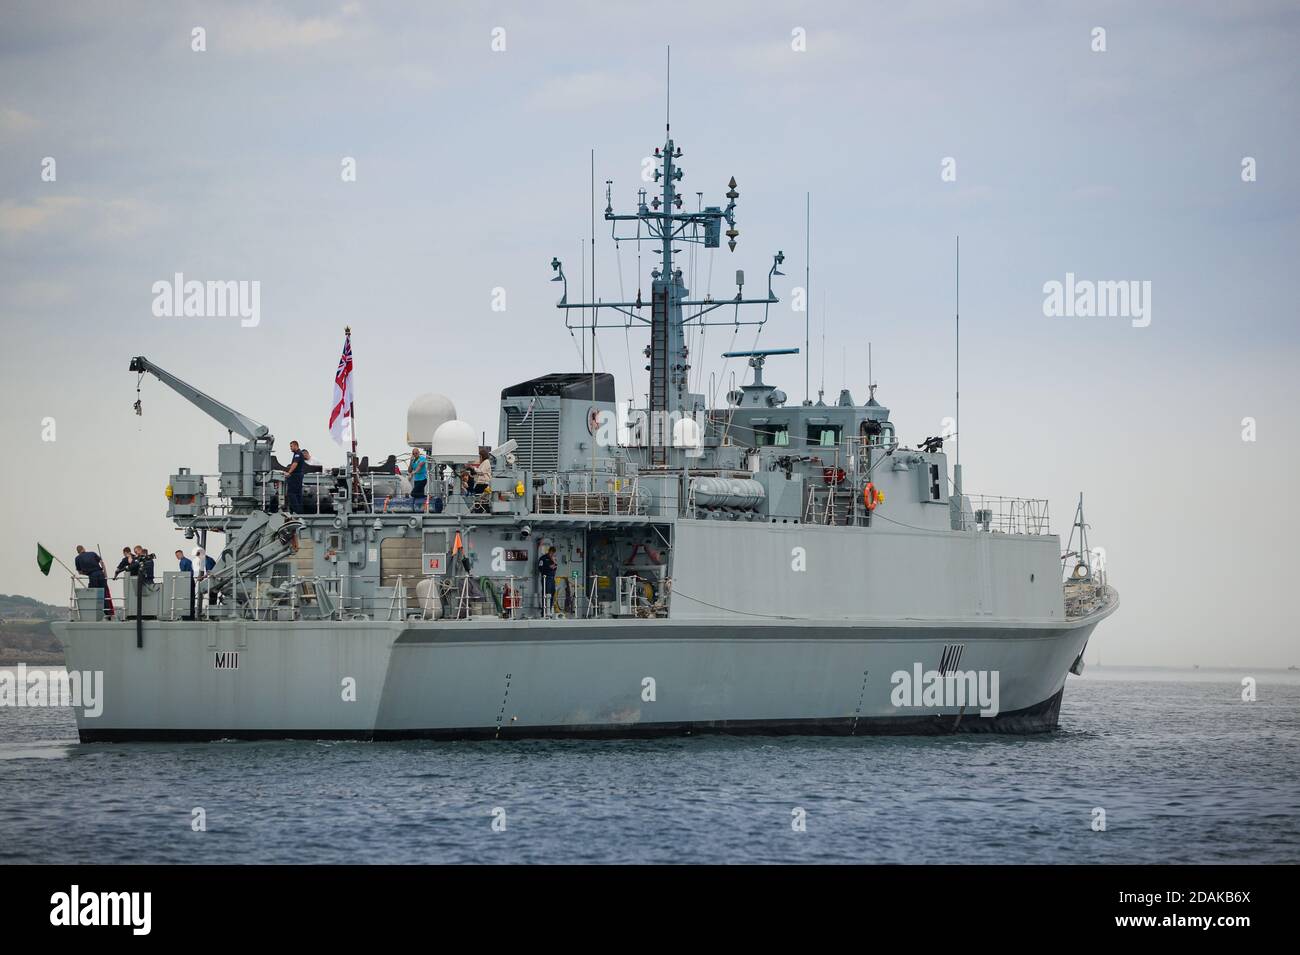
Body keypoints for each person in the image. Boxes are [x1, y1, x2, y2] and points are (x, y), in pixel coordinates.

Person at [74, 545, 112, 616]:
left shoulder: (77, 558)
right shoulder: (92, 553)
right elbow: (102, 563)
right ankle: (108, 613)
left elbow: (80, 572)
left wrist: (88, 573)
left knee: (93, 594)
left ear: (78, 552)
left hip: (92, 576)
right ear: (84, 548)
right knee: (104, 593)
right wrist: (105, 574)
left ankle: (94, 613)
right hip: (101, 574)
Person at [285, 440, 306, 513]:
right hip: (299, 476)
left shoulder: (297, 454)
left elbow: (295, 464)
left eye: (291, 446)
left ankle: (297, 511)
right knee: (298, 494)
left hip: (296, 476)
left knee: (291, 493)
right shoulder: (298, 453)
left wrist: (289, 472)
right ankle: (300, 511)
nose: (290, 448)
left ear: (296, 446)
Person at [537, 545, 558, 612]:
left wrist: (554, 563)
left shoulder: (553, 559)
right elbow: (540, 568)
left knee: (552, 593)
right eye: (552, 553)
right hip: (546, 578)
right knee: (546, 593)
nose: (552, 554)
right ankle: (544, 611)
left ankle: (550, 609)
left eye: (554, 553)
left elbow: (555, 568)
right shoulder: (543, 558)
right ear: (549, 551)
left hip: (552, 578)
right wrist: (549, 567)